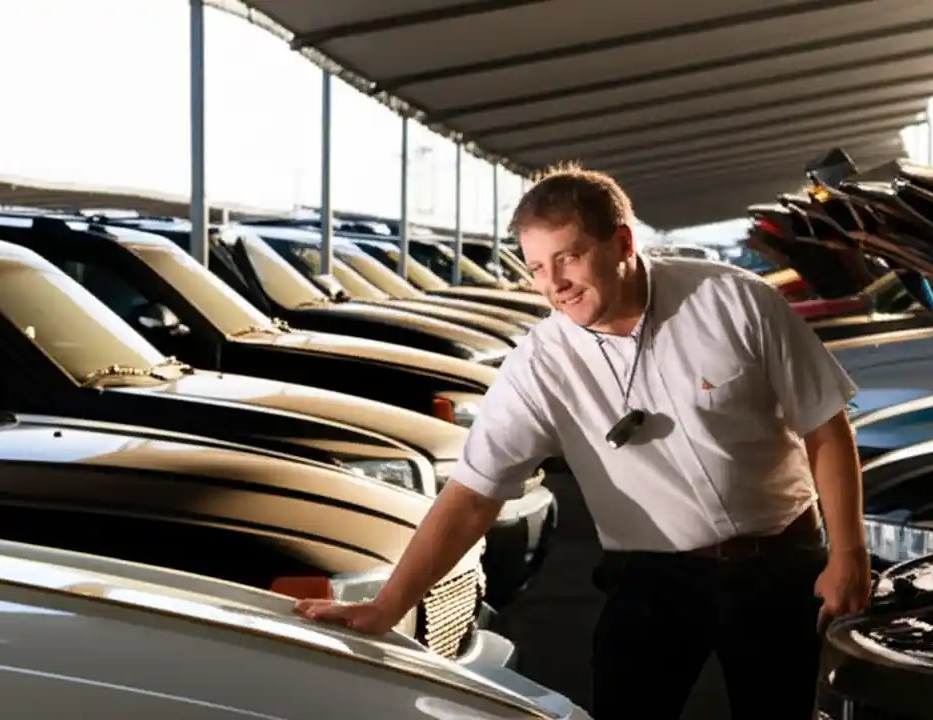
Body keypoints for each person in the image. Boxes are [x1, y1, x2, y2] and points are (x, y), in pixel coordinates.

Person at [294, 164, 871, 719]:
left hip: (778, 563)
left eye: (567, 257)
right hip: (653, 580)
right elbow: (473, 494)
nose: (555, 285)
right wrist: (389, 605)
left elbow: (824, 425)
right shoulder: (541, 363)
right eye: (537, 267)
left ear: (622, 242)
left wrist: (848, 554)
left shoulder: (734, 301)